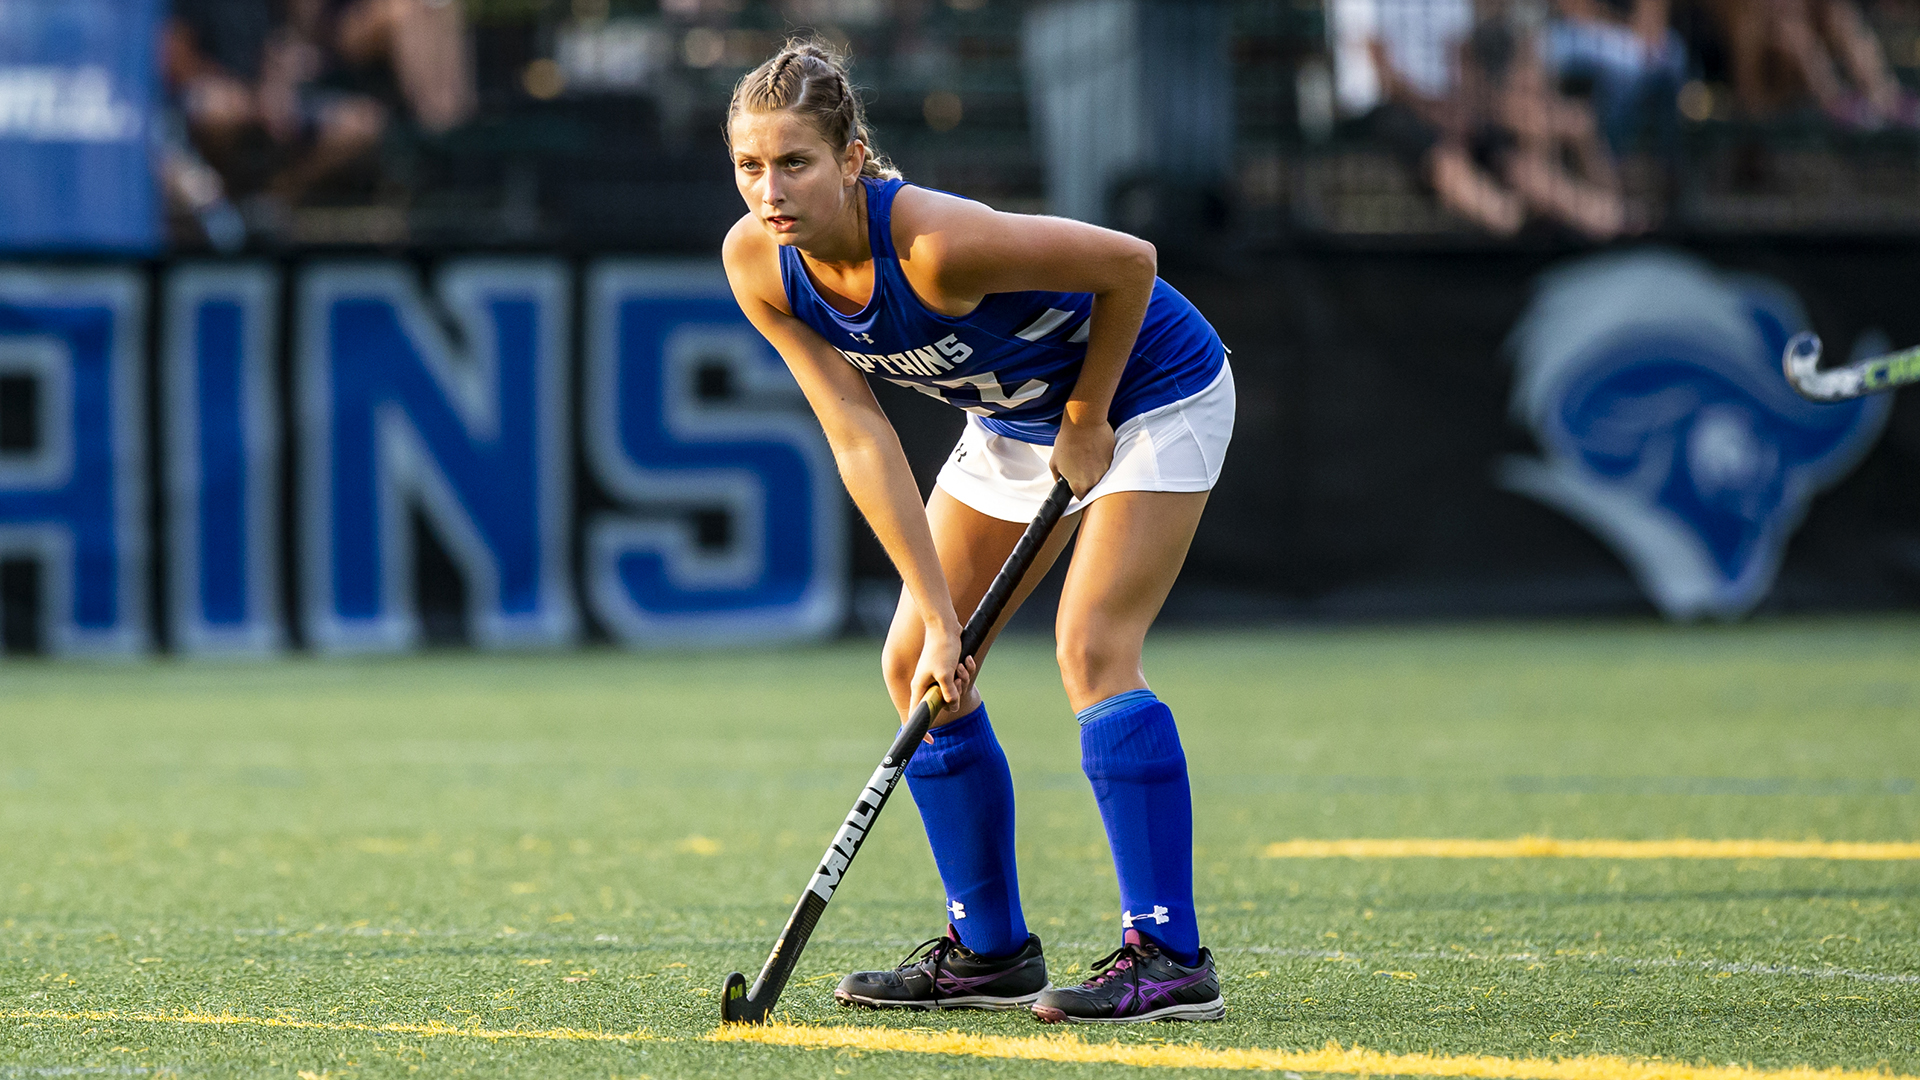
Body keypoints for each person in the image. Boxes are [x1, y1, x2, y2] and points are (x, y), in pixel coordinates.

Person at [719, 39, 1234, 1024]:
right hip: (1013, 419)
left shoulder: (937, 247)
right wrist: (942, 618)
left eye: (795, 163)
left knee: (1092, 646)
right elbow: (860, 435)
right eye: (750, 166)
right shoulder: (761, 265)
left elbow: (1131, 264)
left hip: (1153, 390)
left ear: (851, 159)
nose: (770, 190)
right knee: (916, 659)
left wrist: (1088, 415)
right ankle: (991, 953)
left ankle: (1170, 957)